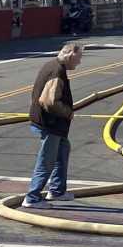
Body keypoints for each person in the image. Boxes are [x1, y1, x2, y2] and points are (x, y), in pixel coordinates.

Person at [22, 41, 80, 208]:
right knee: (47, 160)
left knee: (63, 150)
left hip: (52, 124)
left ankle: (57, 190)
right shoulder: (57, 71)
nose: (79, 62)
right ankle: (32, 198)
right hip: (50, 124)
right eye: (78, 58)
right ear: (69, 55)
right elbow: (50, 102)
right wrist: (67, 113)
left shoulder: (53, 66)